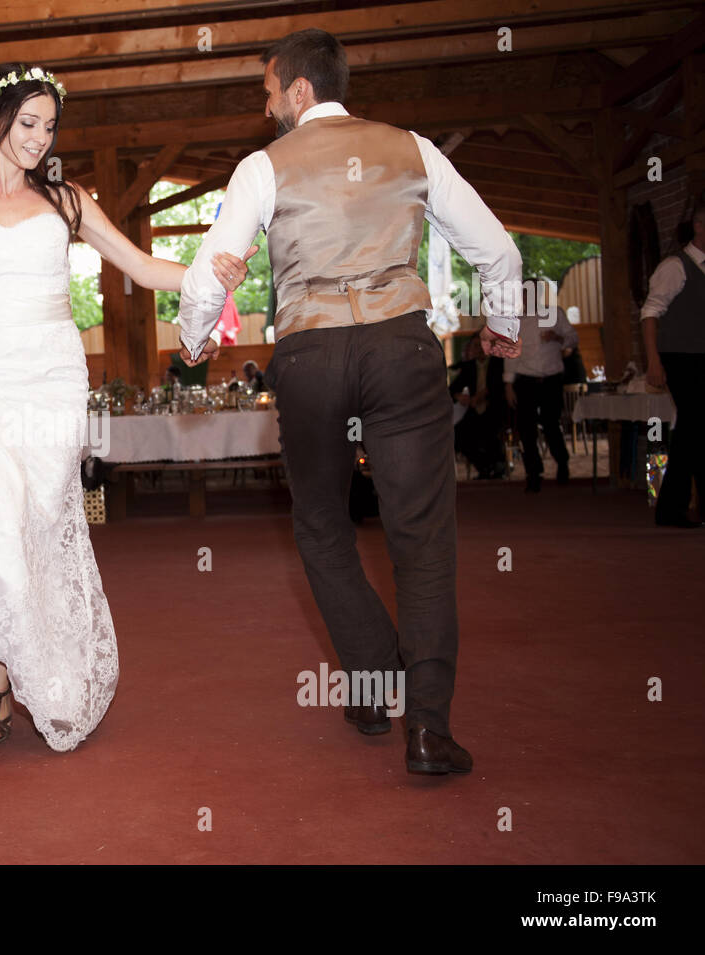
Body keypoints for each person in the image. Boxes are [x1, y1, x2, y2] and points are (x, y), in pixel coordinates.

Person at [0, 61, 250, 755]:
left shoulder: (68, 201)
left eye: (50, 125)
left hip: (53, 379)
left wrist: (213, 271)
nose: (39, 136)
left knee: (30, 523)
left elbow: (145, 268)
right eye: (27, 122)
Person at [178, 28, 522, 775]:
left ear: (300, 90)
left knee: (323, 523)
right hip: (401, 347)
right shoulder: (413, 149)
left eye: (269, 90)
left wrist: (196, 337)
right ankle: (427, 728)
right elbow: (500, 251)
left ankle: (371, 684)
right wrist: (502, 324)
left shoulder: (263, 167)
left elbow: (210, 275)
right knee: (422, 534)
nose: (266, 104)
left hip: (310, 353)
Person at [641, 192, 705, 528]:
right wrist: (654, 361)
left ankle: (677, 507)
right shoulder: (674, 266)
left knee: (694, 430)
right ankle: (670, 508)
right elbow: (650, 313)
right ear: (698, 225)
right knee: (693, 427)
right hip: (681, 358)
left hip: (702, 356)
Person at [505, 294, 578, 492]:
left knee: (551, 424)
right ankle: (533, 473)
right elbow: (511, 354)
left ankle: (562, 463)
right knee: (527, 429)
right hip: (525, 380)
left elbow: (573, 338)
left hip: (551, 379)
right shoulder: (515, 320)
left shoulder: (554, 314)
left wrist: (557, 338)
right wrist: (509, 385)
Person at [449, 332, 508, 479]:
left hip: (495, 408)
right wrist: (459, 396)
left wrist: (483, 395)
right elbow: (452, 389)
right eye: (476, 346)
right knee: (457, 435)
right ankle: (484, 467)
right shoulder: (469, 367)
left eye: (482, 345)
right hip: (475, 410)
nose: (479, 348)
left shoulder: (498, 363)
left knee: (489, 430)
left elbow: (500, 386)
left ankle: (499, 466)